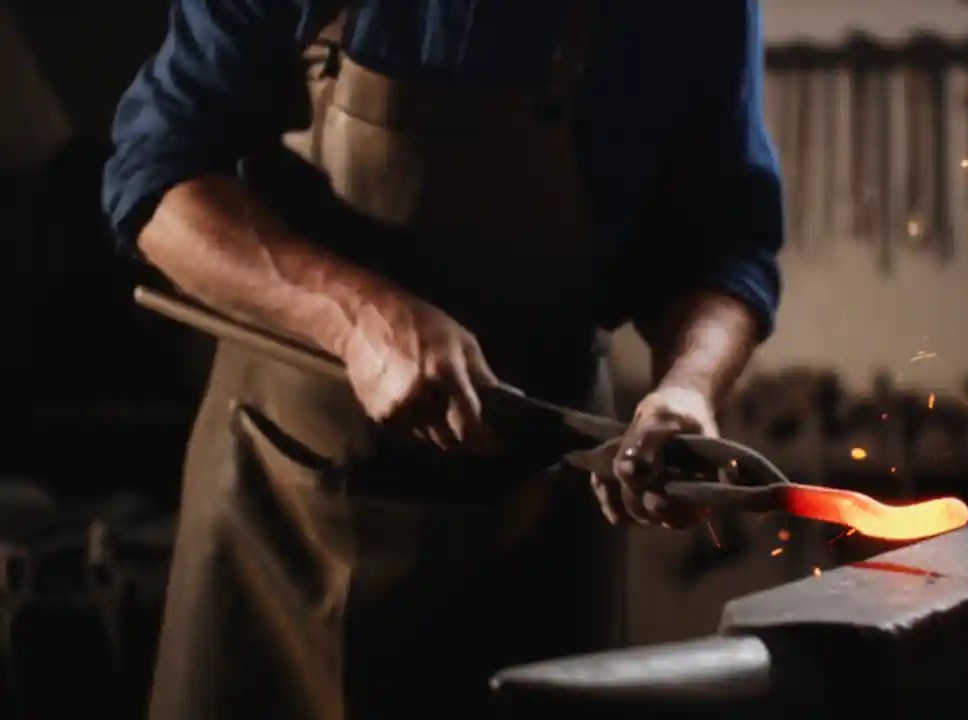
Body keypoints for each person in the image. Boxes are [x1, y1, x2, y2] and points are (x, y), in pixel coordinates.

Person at [102, 0, 783, 717]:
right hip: (280, 509)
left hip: (537, 525)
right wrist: (356, 317)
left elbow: (724, 246)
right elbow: (156, 184)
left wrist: (688, 387)